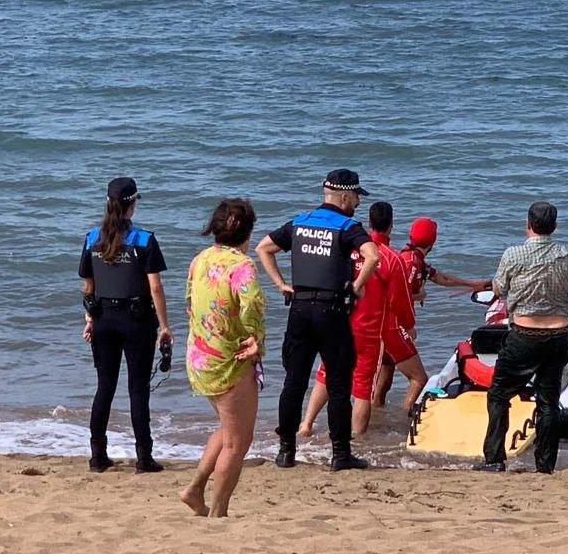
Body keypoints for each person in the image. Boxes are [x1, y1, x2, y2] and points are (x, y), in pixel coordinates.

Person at [255, 169, 379, 471]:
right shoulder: (347, 225)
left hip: (299, 310)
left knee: (293, 382)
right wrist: (357, 285)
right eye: (356, 198)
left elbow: (263, 248)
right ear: (345, 196)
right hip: (332, 311)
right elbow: (373, 256)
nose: (358, 205)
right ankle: (340, 454)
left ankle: (286, 450)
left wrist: (281, 284)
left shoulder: (299, 222)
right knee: (338, 385)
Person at [475, 202, 568, 474]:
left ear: (528, 224)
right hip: (558, 336)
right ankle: (545, 465)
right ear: (554, 226)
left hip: (523, 335)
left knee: (499, 394)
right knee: (548, 402)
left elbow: (499, 289)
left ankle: (494, 459)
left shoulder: (513, 254)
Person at [78, 177, 173, 474]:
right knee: (137, 390)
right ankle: (144, 458)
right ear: (132, 205)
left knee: (104, 387)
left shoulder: (92, 237)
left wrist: (90, 319)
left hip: (104, 319)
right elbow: (155, 288)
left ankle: (97, 456)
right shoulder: (144, 240)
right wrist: (164, 327)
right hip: (136, 321)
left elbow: (88, 286)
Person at [179, 198, 266, 517]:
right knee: (238, 441)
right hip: (228, 360)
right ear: (247, 232)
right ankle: (218, 511)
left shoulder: (199, 259)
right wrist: (256, 340)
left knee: (228, 429)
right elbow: (252, 306)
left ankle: (195, 489)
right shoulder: (242, 265)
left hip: (199, 356)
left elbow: (189, 303)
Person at [299, 201, 410, 436]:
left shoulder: (350, 250)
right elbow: (400, 304)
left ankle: (306, 424)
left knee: (326, 372)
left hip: (339, 323)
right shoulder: (393, 259)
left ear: (369, 223)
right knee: (363, 388)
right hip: (370, 332)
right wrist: (408, 326)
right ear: (391, 226)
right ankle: (358, 439)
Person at [373, 217, 490, 412]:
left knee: (386, 370)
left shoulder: (416, 259)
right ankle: (407, 419)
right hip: (393, 326)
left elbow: (441, 278)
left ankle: (377, 415)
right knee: (419, 379)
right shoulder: (410, 262)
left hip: (385, 324)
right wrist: (418, 296)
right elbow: (397, 293)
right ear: (432, 241)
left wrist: (471, 284)